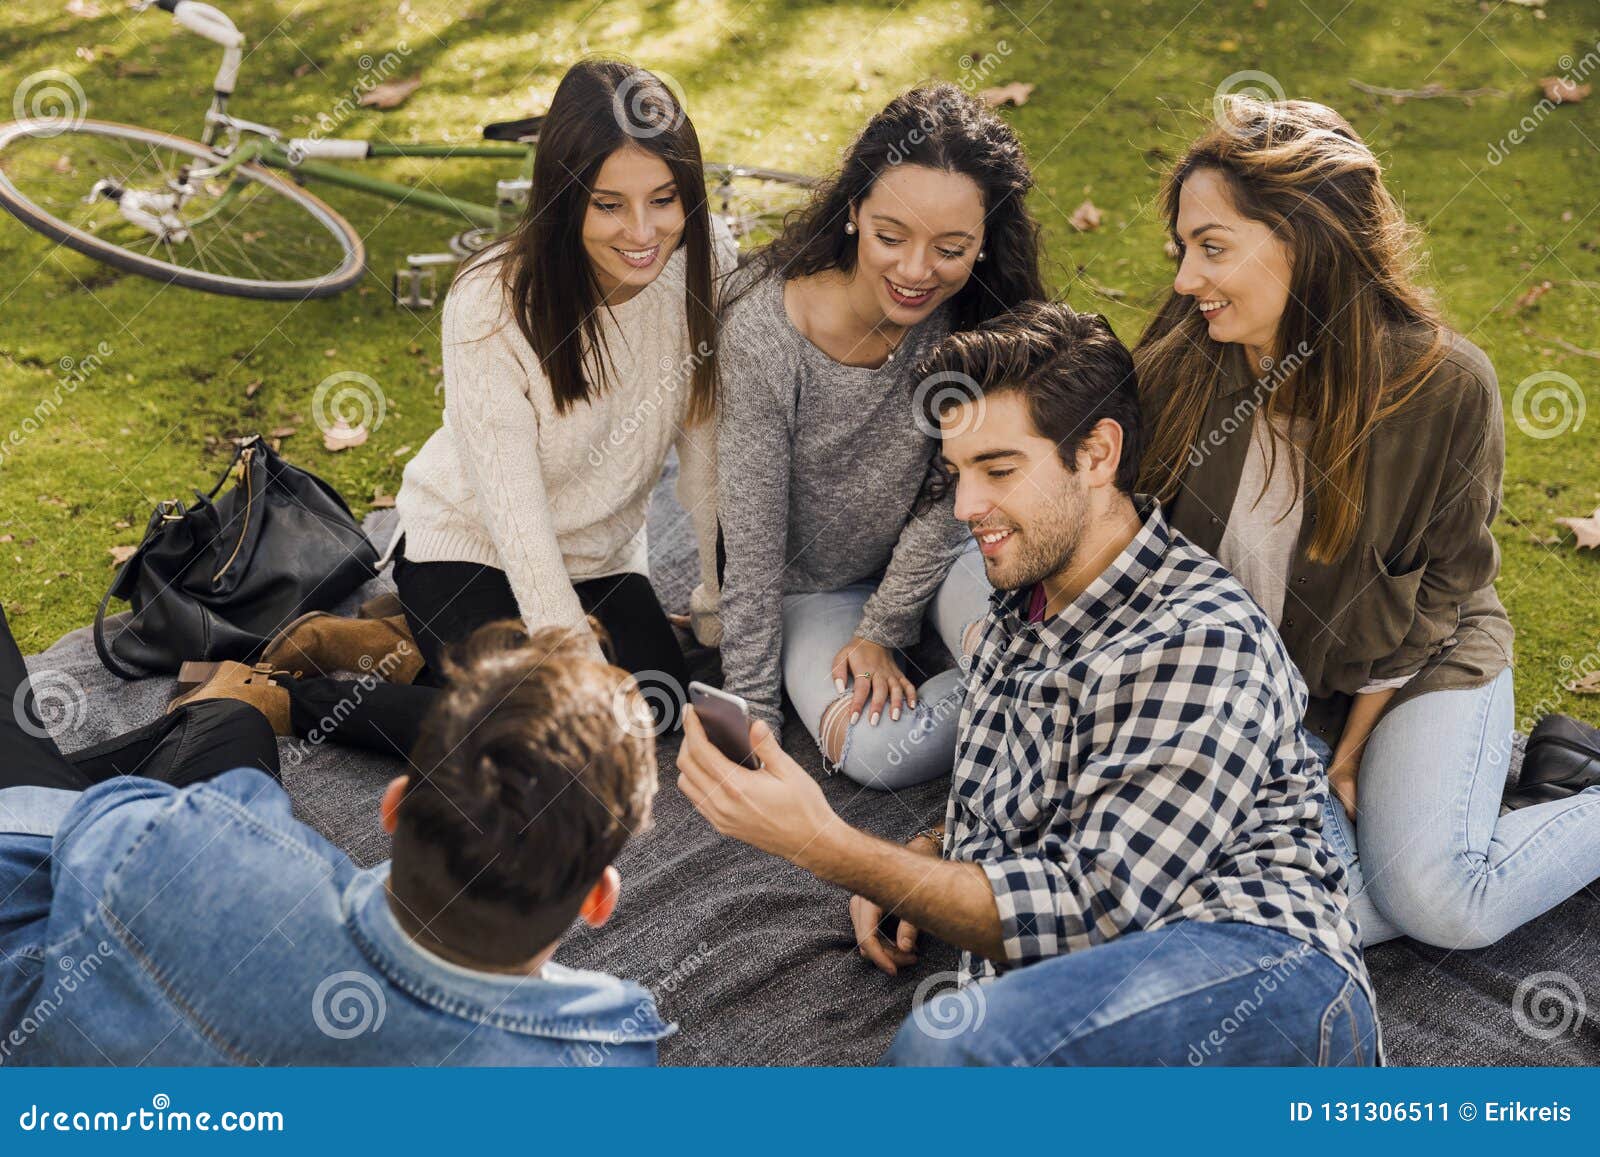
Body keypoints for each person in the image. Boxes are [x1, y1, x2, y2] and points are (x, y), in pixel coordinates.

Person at [678, 302, 1378, 1066]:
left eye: (998, 468)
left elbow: (1089, 909)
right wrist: (926, 860)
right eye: (957, 473)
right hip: (1098, 986)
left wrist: (831, 845)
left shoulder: (1198, 637)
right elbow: (1046, 810)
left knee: (950, 1050)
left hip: (1264, 974)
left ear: (1097, 455)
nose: (966, 506)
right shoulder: (1025, 609)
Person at [1134, 96, 1600, 949]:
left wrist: (1350, 753)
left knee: (1443, 903)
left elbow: (1445, 590)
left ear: (1304, 243)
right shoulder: (1180, 369)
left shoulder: (1448, 387)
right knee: (1312, 916)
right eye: (1184, 249)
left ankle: (1566, 791)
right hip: (1270, 699)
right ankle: (1527, 778)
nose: (1183, 281)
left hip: (1419, 665)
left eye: (1212, 248)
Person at [174, 57, 735, 754]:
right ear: (564, 197)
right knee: (548, 735)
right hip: (473, 545)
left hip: (602, 555)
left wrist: (717, 602)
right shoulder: (489, 304)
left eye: (663, 198)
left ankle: (395, 645)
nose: (643, 231)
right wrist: (577, 664)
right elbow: (516, 518)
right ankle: (280, 697)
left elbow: (709, 455)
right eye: (608, 204)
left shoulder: (705, 270)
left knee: (658, 713)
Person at [0, 613, 671, 1066]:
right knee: (230, 727)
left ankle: (222, 706)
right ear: (597, 898)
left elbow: (90, 830)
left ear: (395, 807)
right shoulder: (610, 1051)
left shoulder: (199, 848)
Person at [714, 83, 1046, 790]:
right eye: (892, 237)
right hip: (813, 588)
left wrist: (884, 629)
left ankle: (1034, 686)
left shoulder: (979, 317)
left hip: (953, 547)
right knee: (877, 748)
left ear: (985, 244)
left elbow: (955, 489)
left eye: (951, 247)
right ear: (854, 211)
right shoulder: (764, 331)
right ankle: (1040, 701)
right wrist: (753, 723)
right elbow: (751, 539)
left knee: (1028, 654)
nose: (917, 271)